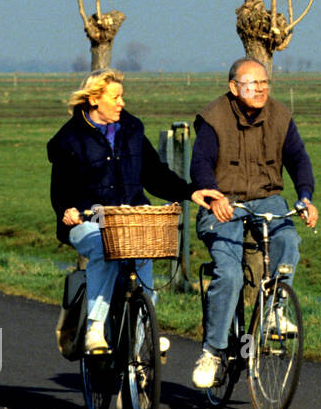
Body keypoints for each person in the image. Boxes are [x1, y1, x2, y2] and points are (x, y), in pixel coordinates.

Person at [48, 69, 221, 355]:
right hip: (87, 220)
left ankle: (143, 332)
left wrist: (190, 192)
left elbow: (154, 174)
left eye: (122, 97)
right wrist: (67, 209)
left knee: (145, 249)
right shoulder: (70, 139)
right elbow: (61, 187)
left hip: (128, 216)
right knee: (106, 248)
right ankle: (95, 328)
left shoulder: (132, 129)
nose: (121, 103)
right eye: (115, 97)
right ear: (94, 99)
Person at [190, 58, 318, 388]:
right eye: (252, 84)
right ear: (234, 88)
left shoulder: (280, 116)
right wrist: (214, 196)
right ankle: (212, 352)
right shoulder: (213, 117)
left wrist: (305, 197)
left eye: (264, 83)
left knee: (288, 240)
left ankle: (275, 309)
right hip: (225, 202)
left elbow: (298, 158)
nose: (260, 89)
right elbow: (201, 163)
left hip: (267, 198)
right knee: (229, 272)